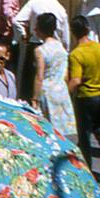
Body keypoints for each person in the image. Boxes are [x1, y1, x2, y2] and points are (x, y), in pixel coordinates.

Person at [67, 15, 100, 167]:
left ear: (72, 32)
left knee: (84, 137)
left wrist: (67, 94)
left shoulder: (76, 54)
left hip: (87, 98)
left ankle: (87, 169)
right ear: (87, 29)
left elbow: (76, 80)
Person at [32, 12, 77, 141]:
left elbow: (39, 76)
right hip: (61, 90)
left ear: (40, 29)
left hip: (47, 91)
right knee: (62, 132)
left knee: (46, 131)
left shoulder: (40, 50)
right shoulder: (61, 48)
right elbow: (65, 73)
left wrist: (35, 98)